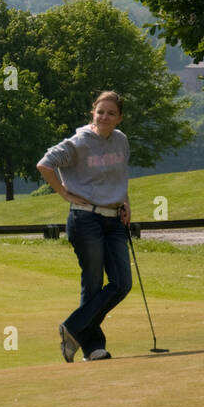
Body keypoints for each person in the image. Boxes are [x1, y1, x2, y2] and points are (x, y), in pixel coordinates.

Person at [37, 91, 133, 362]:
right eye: (100, 111)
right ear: (93, 112)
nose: (105, 117)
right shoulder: (79, 142)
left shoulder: (121, 141)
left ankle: (73, 328)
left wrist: (125, 203)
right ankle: (93, 348)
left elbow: (119, 176)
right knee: (92, 285)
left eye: (111, 113)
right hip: (85, 219)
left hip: (114, 219)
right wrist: (64, 194)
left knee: (122, 283)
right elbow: (45, 165)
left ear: (120, 118)